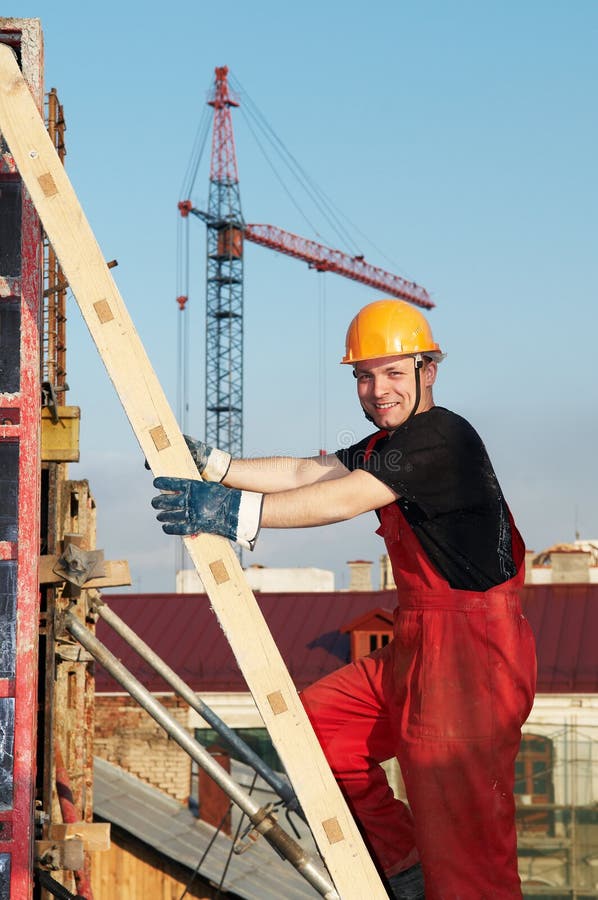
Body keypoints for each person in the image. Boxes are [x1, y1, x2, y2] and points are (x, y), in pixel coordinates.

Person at [152, 299, 537, 899]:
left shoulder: (442, 437)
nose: (377, 388)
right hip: (419, 645)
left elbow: (341, 499)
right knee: (317, 731)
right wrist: (222, 468)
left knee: (467, 852)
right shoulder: (396, 441)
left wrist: (235, 515)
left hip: (472, 663)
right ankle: (403, 867)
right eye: (364, 375)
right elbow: (312, 475)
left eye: (391, 372)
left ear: (427, 370)